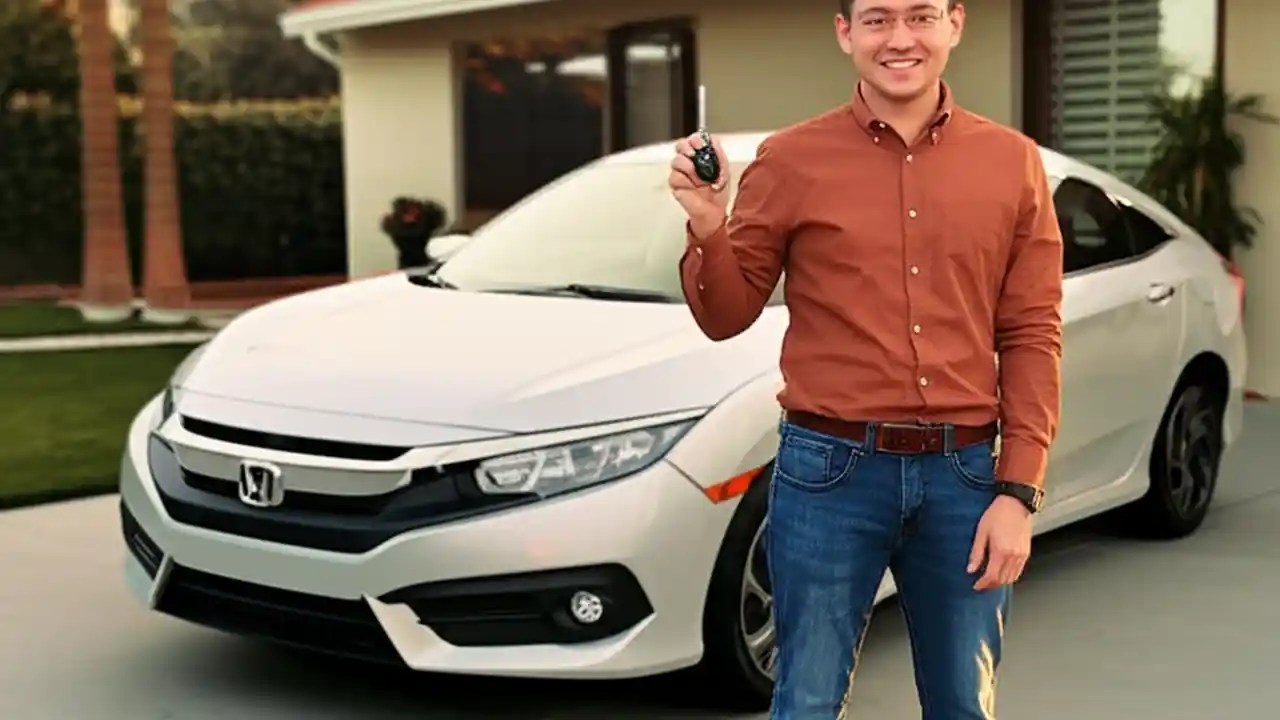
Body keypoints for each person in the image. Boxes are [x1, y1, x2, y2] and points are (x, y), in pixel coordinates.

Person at [668, 1, 1063, 718]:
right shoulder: (790, 159)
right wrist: (706, 227)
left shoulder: (1012, 163)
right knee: (807, 701)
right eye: (877, 19)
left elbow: (1032, 331)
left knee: (961, 706)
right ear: (846, 32)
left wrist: (1018, 491)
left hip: (965, 480)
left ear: (955, 23)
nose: (900, 39)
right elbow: (725, 314)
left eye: (920, 16)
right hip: (828, 475)